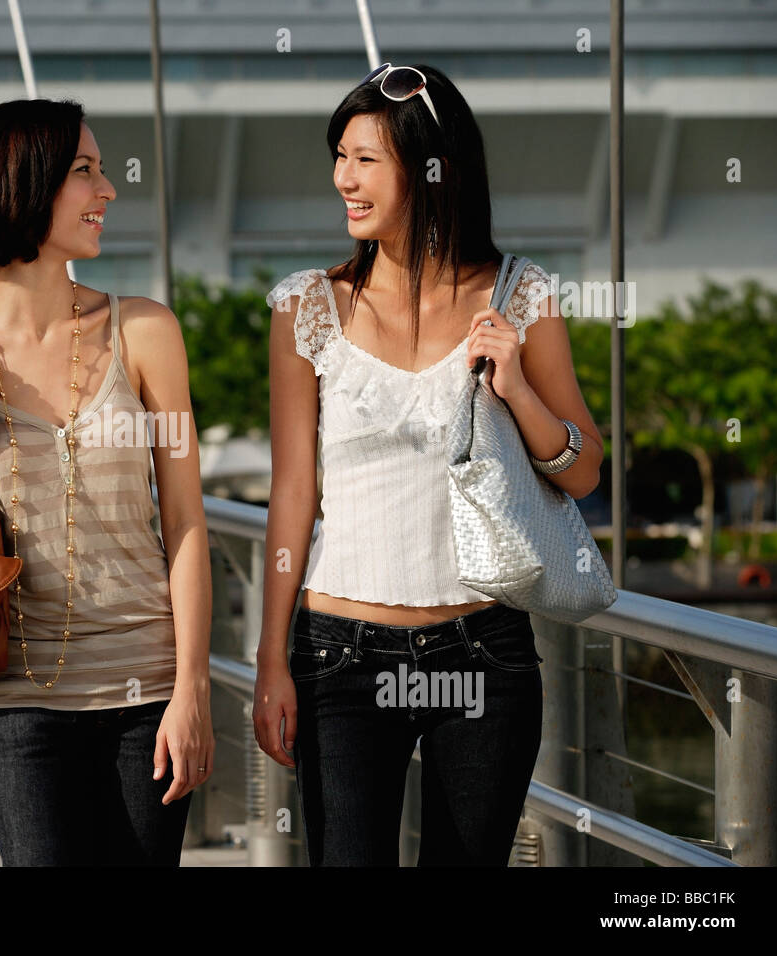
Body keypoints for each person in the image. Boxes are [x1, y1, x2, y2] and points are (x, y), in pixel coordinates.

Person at [252, 65, 605, 866]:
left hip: (483, 651)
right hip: (338, 654)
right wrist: (272, 658)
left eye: (367, 158)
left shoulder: (522, 296)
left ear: (432, 165)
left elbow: (583, 470)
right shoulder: (306, 307)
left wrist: (516, 386)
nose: (345, 178)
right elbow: (292, 492)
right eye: (340, 155)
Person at [0, 98, 213, 866]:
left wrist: (193, 688)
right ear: (23, 187)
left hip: (146, 693)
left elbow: (188, 523)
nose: (108, 191)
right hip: (18, 700)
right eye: (84, 172)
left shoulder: (147, 332)